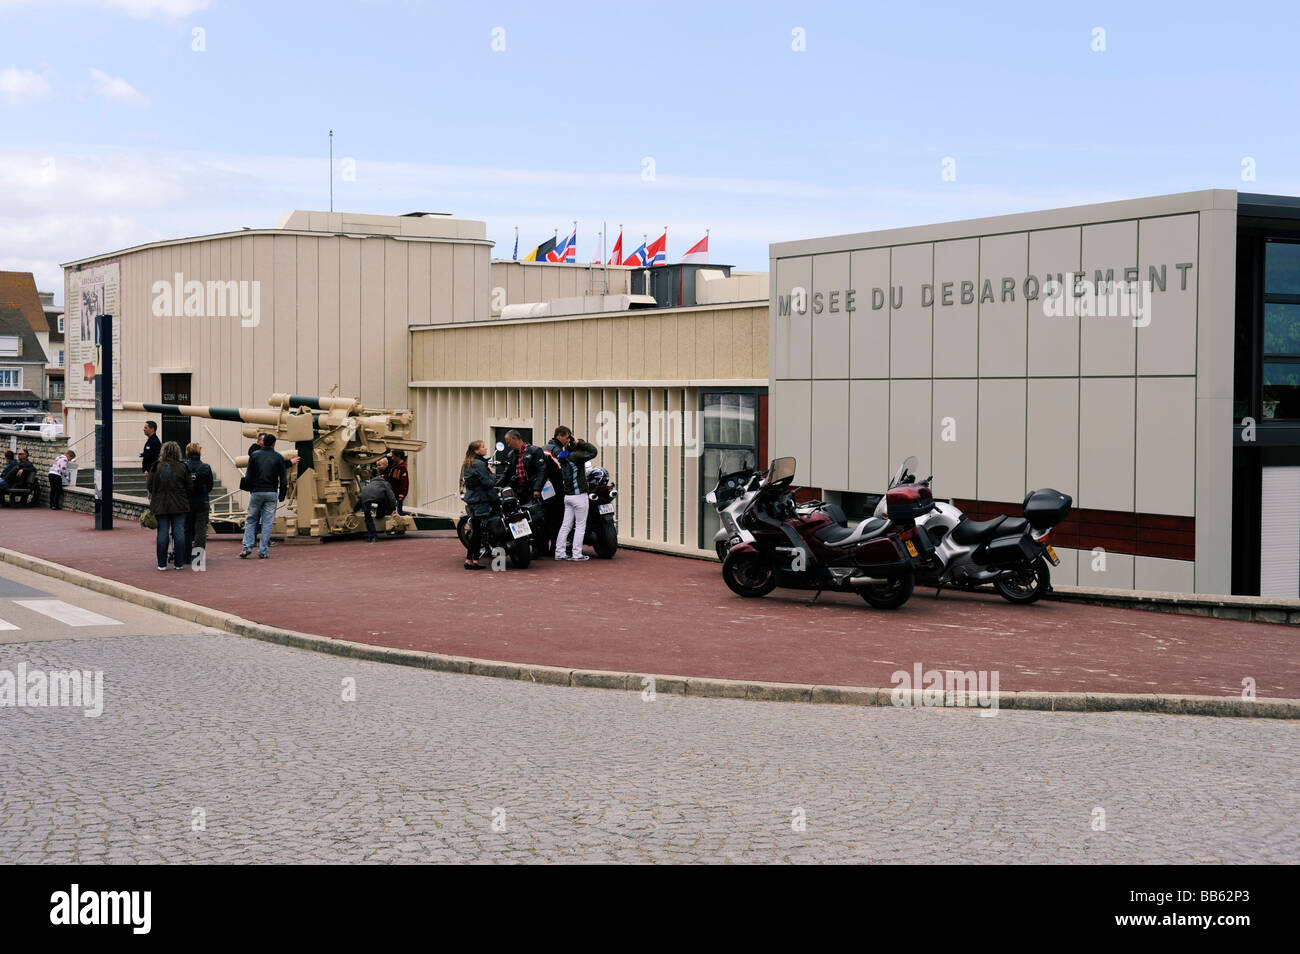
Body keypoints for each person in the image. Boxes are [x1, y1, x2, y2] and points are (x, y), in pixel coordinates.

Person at [551, 427, 598, 562]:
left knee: (565, 525)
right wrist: (580, 443)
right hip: (579, 496)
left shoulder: (563, 455)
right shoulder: (576, 456)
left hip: (568, 496)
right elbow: (593, 451)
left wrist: (574, 444)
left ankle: (559, 553)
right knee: (580, 525)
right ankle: (576, 554)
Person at [146, 441, 193, 571]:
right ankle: (179, 563)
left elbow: (149, 486)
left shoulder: (156, 466)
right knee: (179, 533)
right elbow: (190, 487)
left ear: (163, 452)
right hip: (179, 505)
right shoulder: (183, 467)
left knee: (162, 532)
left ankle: (162, 564)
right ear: (177, 452)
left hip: (160, 505)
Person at [240, 433, 287, 559]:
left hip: (257, 492)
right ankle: (263, 551)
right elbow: (283, 479)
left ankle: (247, 547)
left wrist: (251, 489)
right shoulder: (278, 457)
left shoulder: (254, 456)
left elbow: (249, 476)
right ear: (274, 444)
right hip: (271, 492)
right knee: (267, 522)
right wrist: (282, 495)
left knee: (251, 520)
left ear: (263, 442)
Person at [460, 440, 494, 570]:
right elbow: (488, 483)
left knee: (475, 530)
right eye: (483, 447)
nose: (486, 449)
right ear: (476, 451)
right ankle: (471, 560)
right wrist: (491, 473)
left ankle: (471, 560)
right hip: (480, 500)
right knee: (478, 532)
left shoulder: (469, 462)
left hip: (472, 500)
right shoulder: (479, 464)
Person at [495, 430, 548, 502]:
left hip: (532, 491)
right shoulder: (511, 455)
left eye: (509, 442)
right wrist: (495, 486)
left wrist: (536, 489)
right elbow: (506, 473)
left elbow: (542, 471)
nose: (508, 446)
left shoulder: (535, 451)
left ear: (515, 438)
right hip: (519, 492)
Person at [184, 442, 214, 565]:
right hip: (202, 501)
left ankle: (185, 557)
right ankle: (198, 558)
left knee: (187, 529)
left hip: (187, 501)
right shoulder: (206, 467)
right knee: (200, 529)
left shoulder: (184, 467)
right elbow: (210, 486)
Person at [355, 462, 398, 543]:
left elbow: (361, 499)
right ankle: (379, 515)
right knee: (383, 501)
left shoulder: (368, 485)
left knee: (368, 518)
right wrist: (393, 509)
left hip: (365, 498)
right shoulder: (384, 483)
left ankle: (372, 537)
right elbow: (391, 496)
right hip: (379, 498)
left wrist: (354, 510)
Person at [386, 450, 409, 516]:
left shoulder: (402, 469)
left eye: (393, 456)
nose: (392, 458)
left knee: (397, 515)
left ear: (398, 456)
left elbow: (404, 483)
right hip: (392, 496)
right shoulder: (395, 467)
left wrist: (401, 495)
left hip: (397, 497)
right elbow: (392, 478)